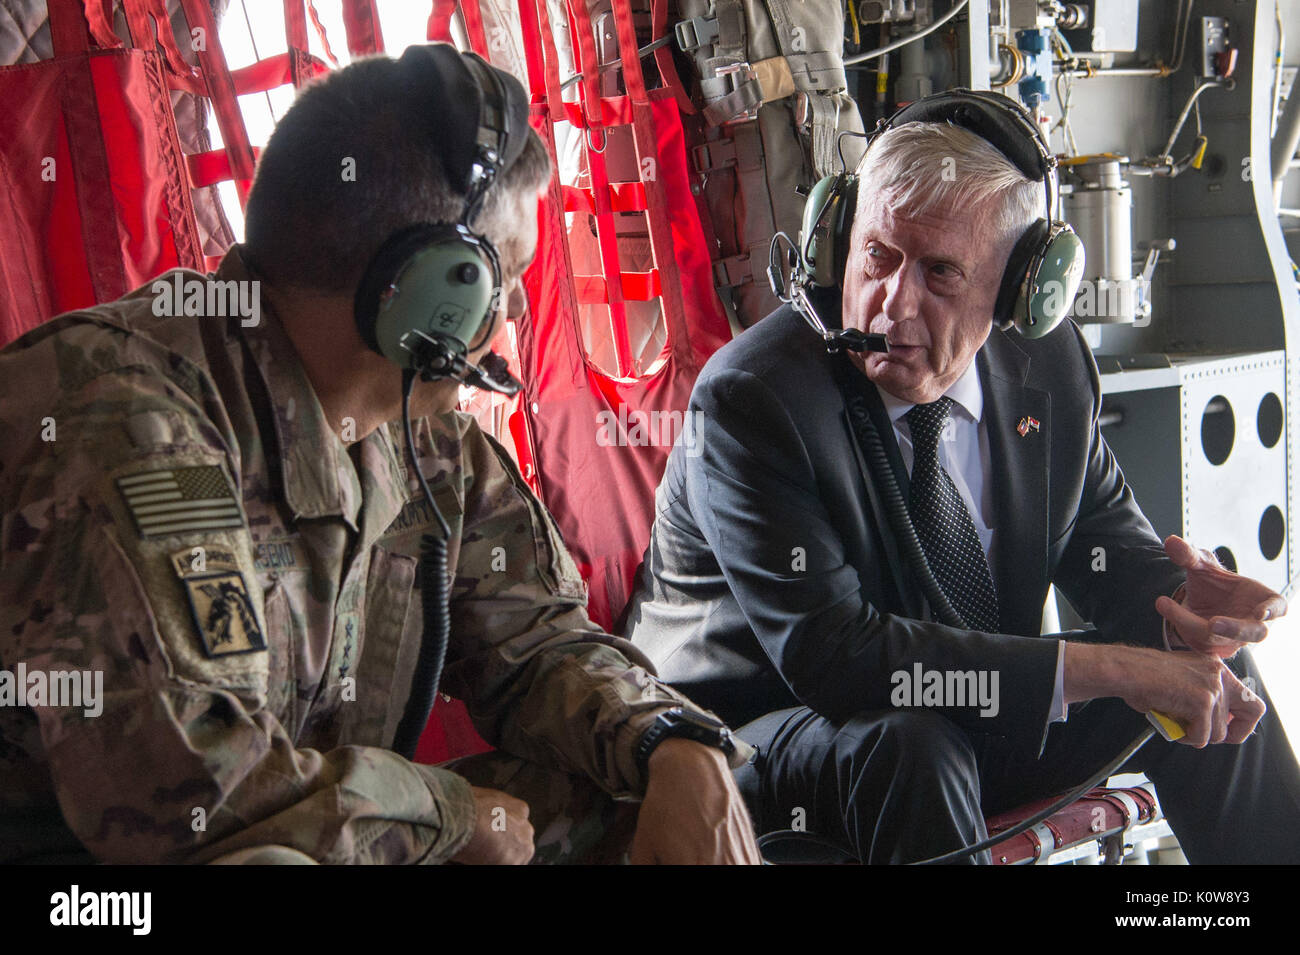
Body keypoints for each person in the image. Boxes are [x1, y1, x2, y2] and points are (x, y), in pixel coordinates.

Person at [0, 44, 760, 865]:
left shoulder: (420, 433)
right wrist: (454, 814)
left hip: (291, 828)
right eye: (504, 281)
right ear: (437, 289)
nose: (510, 319)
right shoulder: (128, 424)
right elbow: (202, 803)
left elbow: (538, 639)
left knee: (633, 793)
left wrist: (670, 742)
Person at [624, 91, 1300, 864]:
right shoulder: (755, 399)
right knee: (913, 746)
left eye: (942, 273)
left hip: (963, 711)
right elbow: (837, 661)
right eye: (876, 254)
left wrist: (1182, 609)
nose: (891, 303)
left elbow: (1103, 543)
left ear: (1022, 291)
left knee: (1207, 677)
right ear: (838, 235)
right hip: (755, 745)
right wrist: (1111, 667)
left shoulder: (1048, 366)